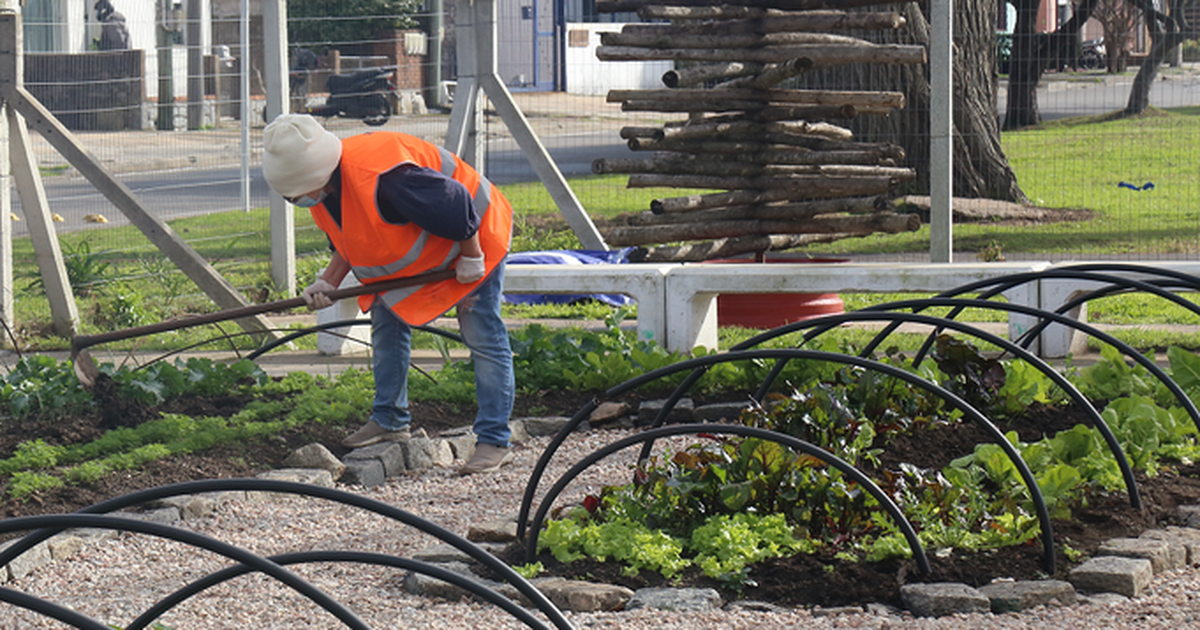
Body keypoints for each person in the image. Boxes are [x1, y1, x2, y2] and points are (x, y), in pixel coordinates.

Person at [260, 114, 516, 475]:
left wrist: (472, 257)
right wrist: (329, 282)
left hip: (478, 236)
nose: (296, 200)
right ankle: (390, 420)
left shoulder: (386, 178)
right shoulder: (326, 188)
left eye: (295, 194)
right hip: (422, 257)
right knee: (387, 324)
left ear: (313, 177)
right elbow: (352, 236)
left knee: (482, 335)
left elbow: (458, 202)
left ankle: (494, 440)